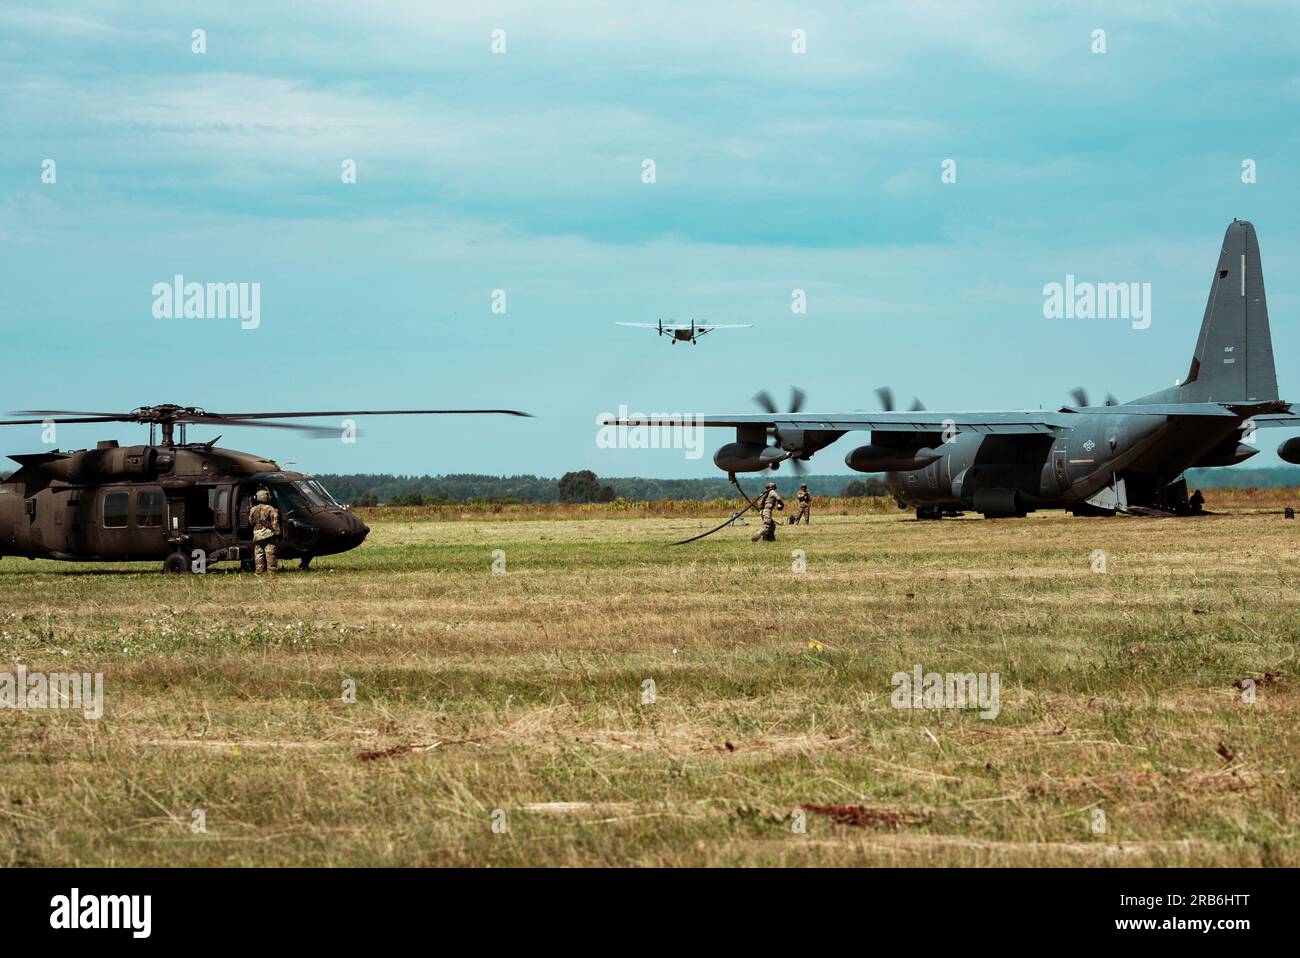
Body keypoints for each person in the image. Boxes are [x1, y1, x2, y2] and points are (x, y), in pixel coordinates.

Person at [249, 488, 282, 574]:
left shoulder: (253, 509)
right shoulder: (270, 508)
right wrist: (277, 532)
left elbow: (251, 522)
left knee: (258, 554)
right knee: (270, 553)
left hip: (257, 534)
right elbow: (275, 521)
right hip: (268, 534)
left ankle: (259, 572)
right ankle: (272, 571)